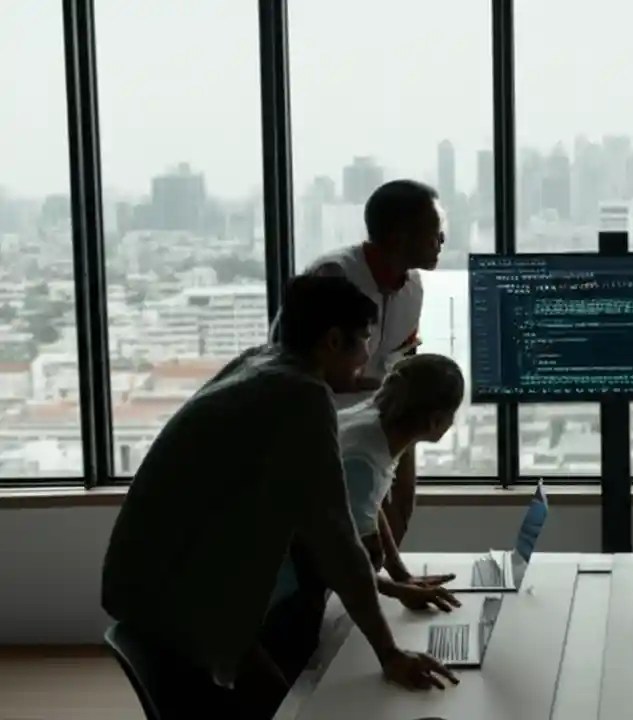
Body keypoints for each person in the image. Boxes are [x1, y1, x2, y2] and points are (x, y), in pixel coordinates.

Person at [102, 275, 457, 719]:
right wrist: (389, 653)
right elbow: (336, 539)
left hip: (148, 582)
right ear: (332, 341)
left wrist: (392, 586)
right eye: (364, 340)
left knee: (292, 688)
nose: (368, 357)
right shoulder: (302, 396)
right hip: (178, 601)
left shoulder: (260, 362)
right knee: (294, 705)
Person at [261, 353, 469, 683]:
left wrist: (400, 575)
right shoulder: (362, 459)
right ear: (435, 421)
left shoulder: (374, 424)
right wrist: (392, 644)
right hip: (281, 595)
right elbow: (338, 561)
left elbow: (366, 505)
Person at [301, 179, 447, 544]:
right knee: (338, 528)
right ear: (399, 236)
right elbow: (309, 368)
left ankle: (383, 574)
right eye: (434, 232)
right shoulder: (334, 276)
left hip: (386, 415)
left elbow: (404, 356)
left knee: (399, 512)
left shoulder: (413, 287)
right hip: (327, 424)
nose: (442, 240)